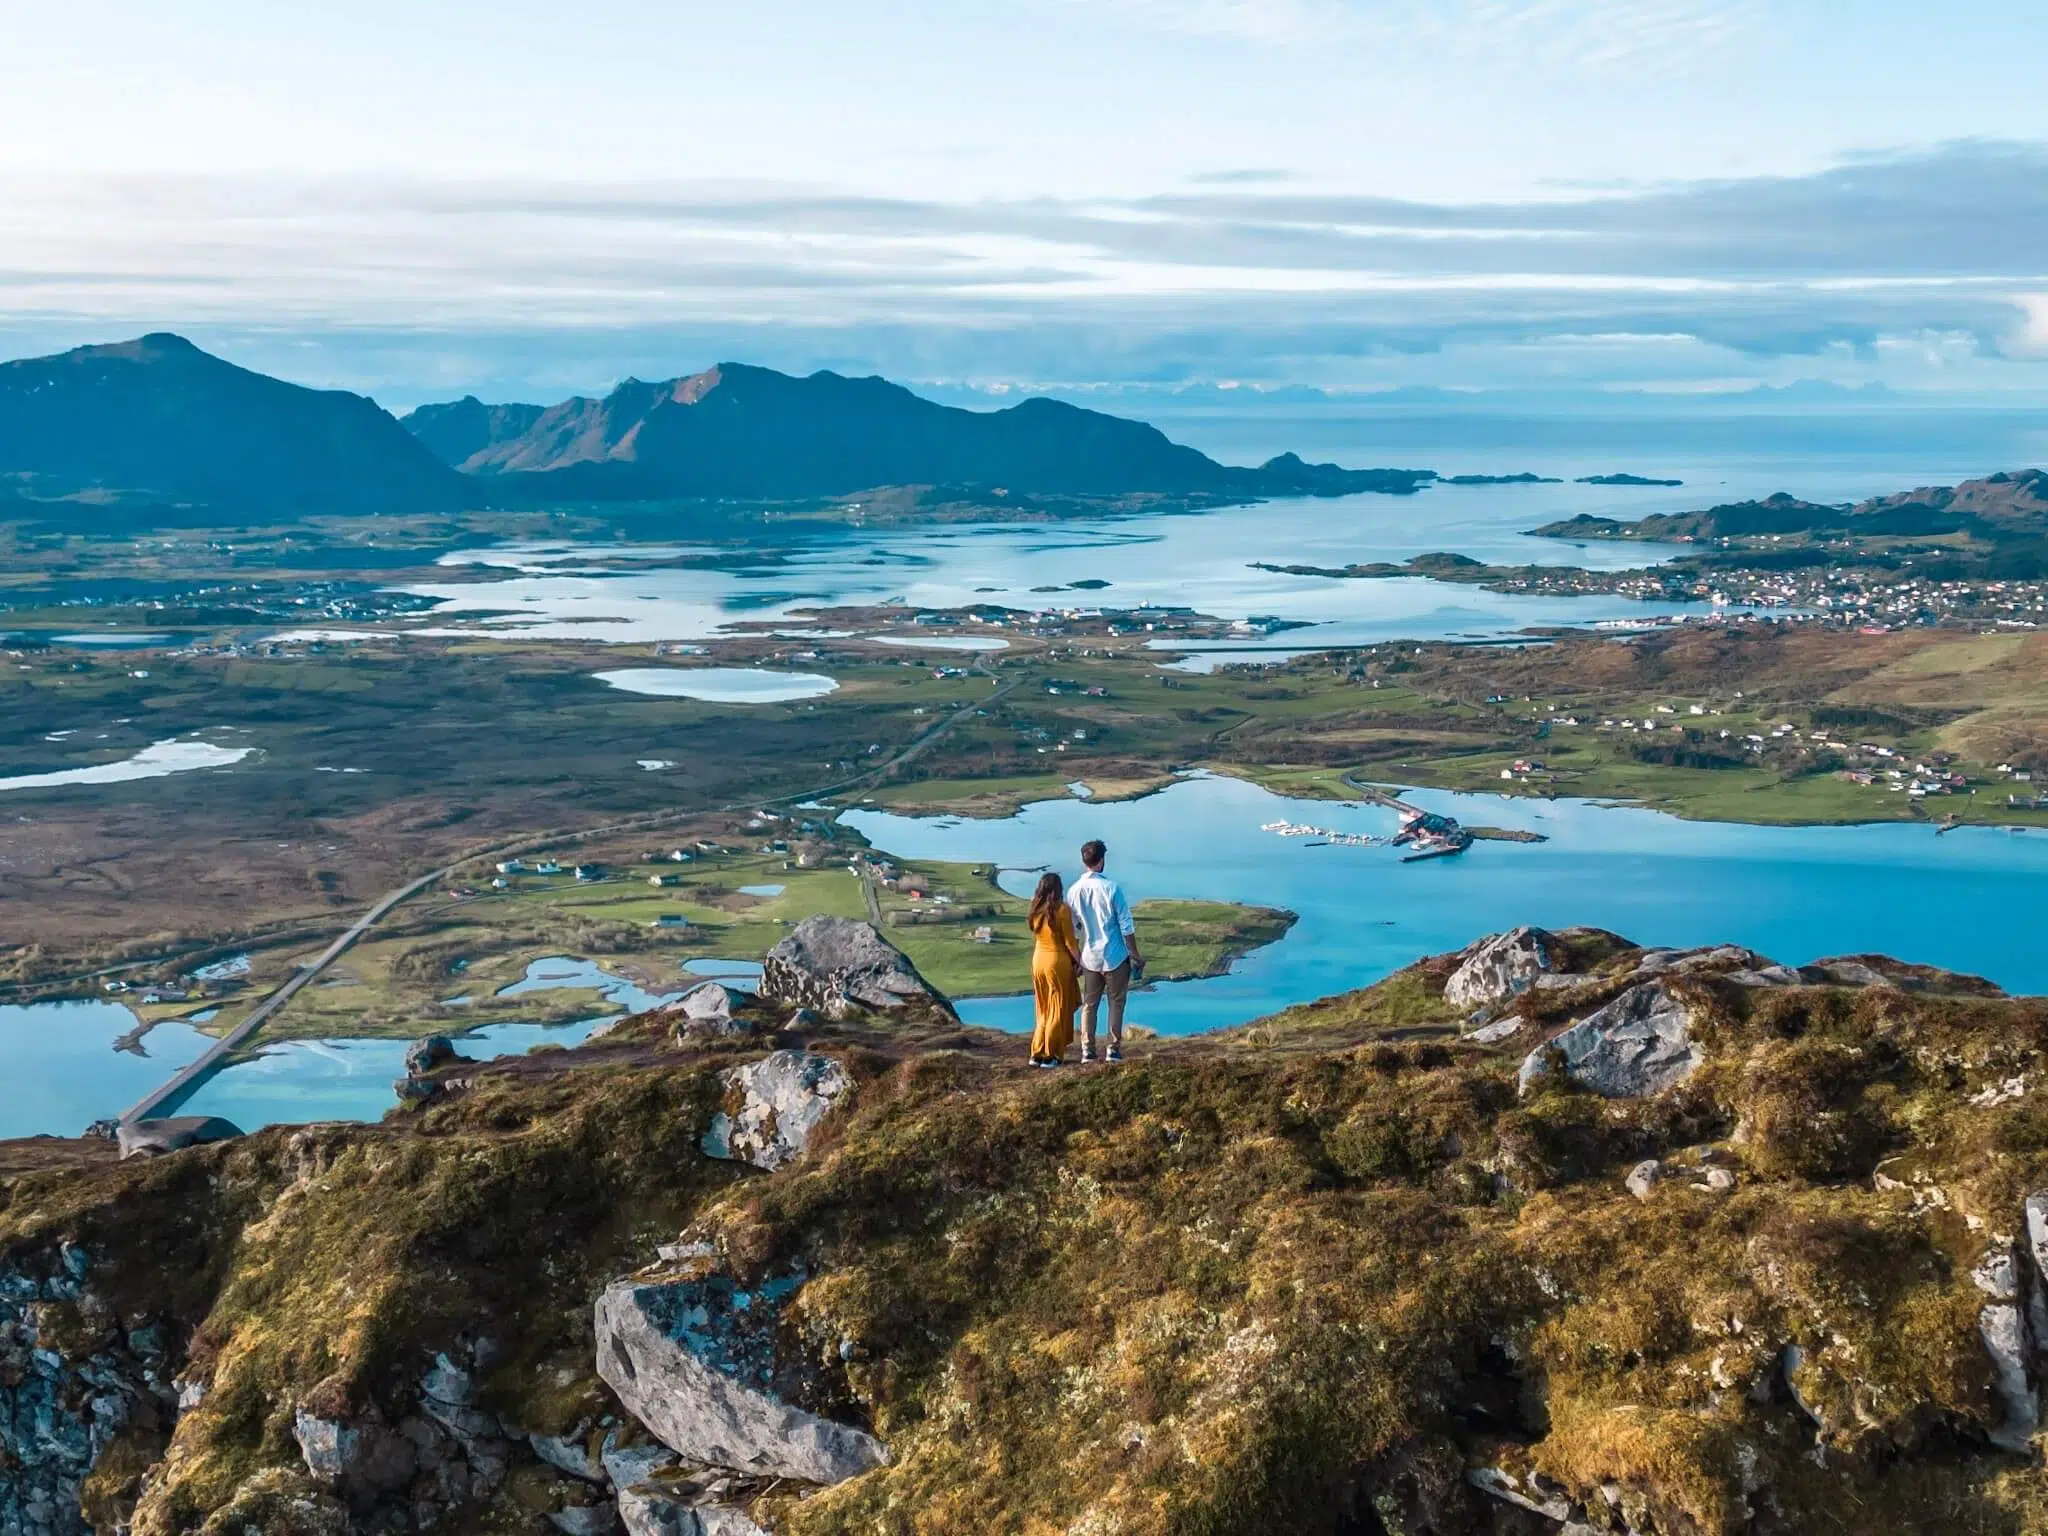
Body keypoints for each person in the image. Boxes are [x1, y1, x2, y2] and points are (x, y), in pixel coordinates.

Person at [1065, 838, 1142, 1063]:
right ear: (1101, 861)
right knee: (1116, 1002)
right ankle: (1112, 1049)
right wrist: (1135, 954)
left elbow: (1074, 928)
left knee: (1090, 1003)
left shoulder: (1073, 891)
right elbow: (1126, 925)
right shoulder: (1111, 888)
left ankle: (1087, 1049)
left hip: (1089, 957)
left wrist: (1075, 957)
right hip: (1114, 955)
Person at [1026, 871, 1081, 1068]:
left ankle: (1037, 1052)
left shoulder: (1035, 909)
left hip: (1038, 959)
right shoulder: (1062, 910)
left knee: (1043, 1008)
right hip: (1057, 961)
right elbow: (1070, 943)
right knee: (1057, 1008)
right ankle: (1051, 1054)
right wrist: (1080, 962)